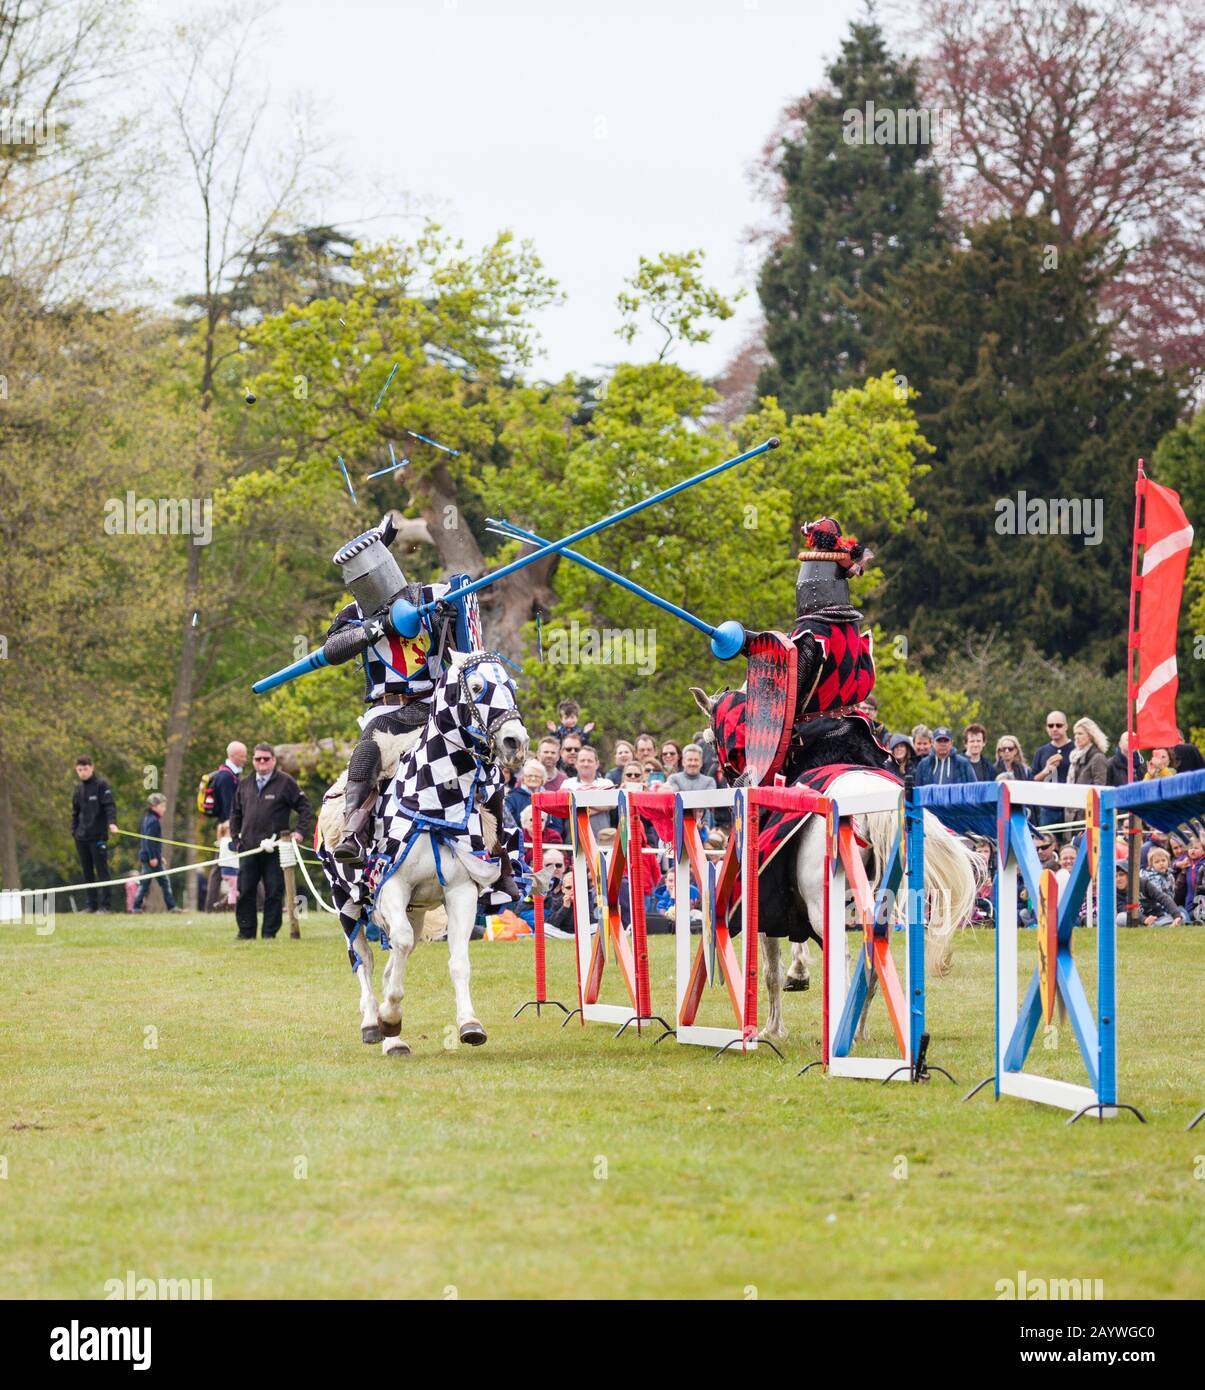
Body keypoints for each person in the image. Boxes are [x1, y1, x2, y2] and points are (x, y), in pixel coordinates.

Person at [320, 515, 466, 865]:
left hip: (434, 703)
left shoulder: (432, 596)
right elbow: (331, 651)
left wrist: (451, 615)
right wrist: (373, 629)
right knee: (368, 749)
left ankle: (497, 845)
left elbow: (468, 643)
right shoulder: (353, 614)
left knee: (475, 750)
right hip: (386, 711)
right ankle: (354, 829)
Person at [229, 744, 315, 940]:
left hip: (276, 848)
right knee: (245, 891)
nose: (262, 762)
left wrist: (300, 832)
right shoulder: (245, 784)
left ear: (273, 760)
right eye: (258, 759)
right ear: (252, 760)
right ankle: (246, 933)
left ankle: (269, 933)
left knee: (274, 892)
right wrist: (236, 840)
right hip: (248, 848)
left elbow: (305, 809)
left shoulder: (285, 782)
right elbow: (235, 814)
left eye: (266, 759)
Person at [71, 756, 118, 914]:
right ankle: (91, 905)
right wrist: (74, 831)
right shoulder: (78, 790)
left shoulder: (101, 786)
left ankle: (105, 906)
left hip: (98, 837)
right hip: (81, 838)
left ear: (92, 767)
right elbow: (75, 813)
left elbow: (109, 806)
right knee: (87, 872)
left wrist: (112, 822)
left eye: (85, 769)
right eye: (79, 770)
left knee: (102, 871)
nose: (83, 772)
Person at [131, 794, 181, 913]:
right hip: (150, 859)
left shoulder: (148, 818)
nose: (164, 809)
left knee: (147, 884)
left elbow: (152, 842)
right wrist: (153, 857)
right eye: (162, 806)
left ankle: (137, 907)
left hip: (149, 857)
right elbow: (149, 840)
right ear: (154, 806)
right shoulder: (153, 821)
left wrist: (159, 857)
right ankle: (172, 907)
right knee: (162, 883)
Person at [1031, 710, 1073, 830]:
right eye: (1051, 725)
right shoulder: (1041, 751)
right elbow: (1032, 780)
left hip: (1069, 807)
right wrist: (1045, 771)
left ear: (1066, 727)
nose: (1054, 729)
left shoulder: (1075, 750)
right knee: (1045, 844)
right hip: (1047, 808)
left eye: (1058, 725)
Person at [561, 745, 613, 837]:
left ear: (597, 764)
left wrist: (578, 800)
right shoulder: (567, 783)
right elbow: (565, 808)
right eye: (582, 761)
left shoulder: (606, 783)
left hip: (603, 837)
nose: (586, 764)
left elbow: (611, 804)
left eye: (589, 761)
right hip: (575, 836)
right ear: (576, 764)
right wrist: (599, 804)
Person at [1139, 846, 1185, 925]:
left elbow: (1172, 894)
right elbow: (1158, 899)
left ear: (1168, 861)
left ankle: (1183, 921)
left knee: (1182, 911)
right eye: (1157, 862)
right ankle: (1158, 923)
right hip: (1154, 910)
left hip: (1169, 906)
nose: (1161, 863)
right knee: (1180, 915)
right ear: (1151, 865)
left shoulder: (1170, 876)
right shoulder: (1150, 878)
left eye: (1163, 860)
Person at [210, 742, 246, 823]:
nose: (245, 759)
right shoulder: (226, 777)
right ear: (232, 756)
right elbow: (228, 806)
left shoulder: (232, 774)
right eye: (242, 756)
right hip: (227, 826)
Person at [1067, 717, 1110, 785]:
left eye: (1080, 733)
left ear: (1090, 735)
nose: (1076, 737)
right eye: (1075, 734)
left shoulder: (1098, 758)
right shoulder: (1076, 757)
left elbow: (1100, 786)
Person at [506, 759, 546, 826]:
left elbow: (556, 825)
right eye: (530, 775)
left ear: (542, 779)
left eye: (537, 776)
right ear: (523, 778)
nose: (533, 778)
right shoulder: (512, 797)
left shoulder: (548, 797)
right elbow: (509, 823)